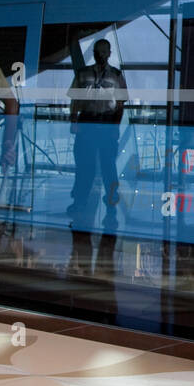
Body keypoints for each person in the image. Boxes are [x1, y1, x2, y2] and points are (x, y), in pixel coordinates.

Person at [69, 37, 126, 272]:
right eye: (99, 51)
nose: (102, 54)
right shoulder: (83, 73)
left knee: (108, 167)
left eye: (105, 51)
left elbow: (121, 104)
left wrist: (115, 128)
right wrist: (73, 121)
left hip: (107, 123)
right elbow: (74, 99)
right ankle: (79, 201)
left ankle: (111, 205)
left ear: (110, 53)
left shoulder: (116, 75)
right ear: (94, 52)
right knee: (84, 166)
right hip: (88, 122)